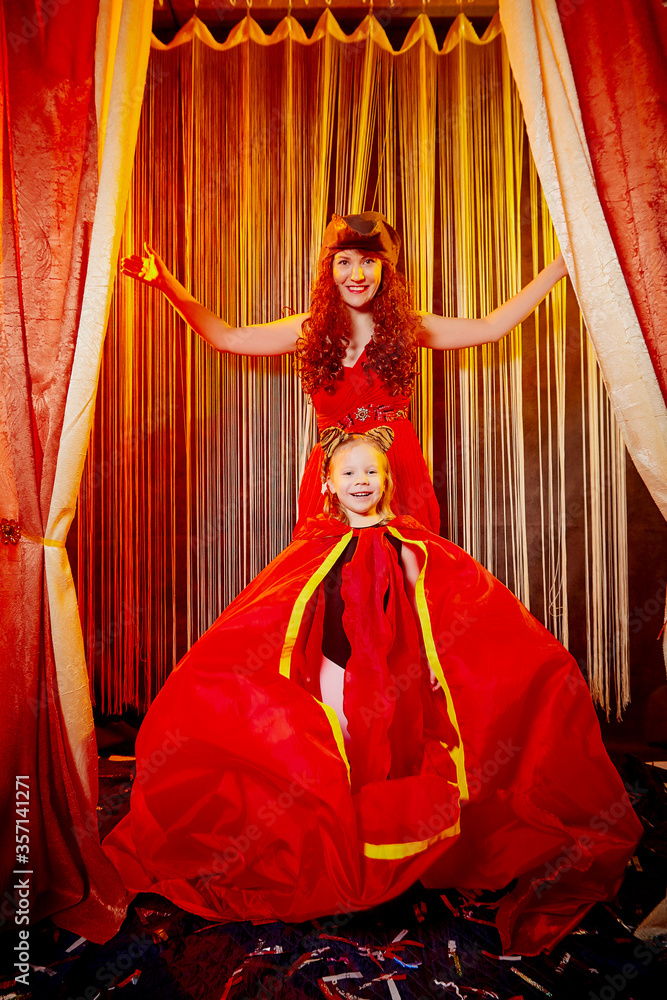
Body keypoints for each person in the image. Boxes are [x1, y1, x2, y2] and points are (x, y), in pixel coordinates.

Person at [103, 431, 641, 956]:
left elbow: (433, 603)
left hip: (394, 674)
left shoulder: (408, 542)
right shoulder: (314, 547)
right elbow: (282, 612)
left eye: (371, 472)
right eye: (348, 473)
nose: (360, 481)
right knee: (339, 738)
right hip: (335, 672)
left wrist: (438, 668)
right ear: (328, 484)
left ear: (387, 479)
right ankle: (341, 816)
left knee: (389, 740)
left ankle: (392, 828)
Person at [121, 212, 568, 532]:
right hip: (335, 473)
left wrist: (562, 265)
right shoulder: (308, 330)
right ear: (330, 271)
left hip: (396, 469)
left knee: (404, 588)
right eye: (345, 261)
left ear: (385, 270)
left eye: (369, 261)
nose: (358, 274)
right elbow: (228, 338)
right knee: (333, 592)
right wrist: (167, 285)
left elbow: (492, 328)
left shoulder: (409, 327)